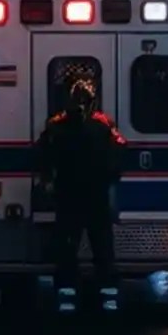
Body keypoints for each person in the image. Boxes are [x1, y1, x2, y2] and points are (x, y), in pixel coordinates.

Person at [35, 79, 126, 305]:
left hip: (68, 196)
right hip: (96, 196)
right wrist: (111, 179)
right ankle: (107, 292)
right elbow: (119, 150)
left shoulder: (56, 126)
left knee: (67, 247)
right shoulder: (103, 125)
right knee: (102, 247)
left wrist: (47, 181)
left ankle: (67, 291)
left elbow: (42, 154)